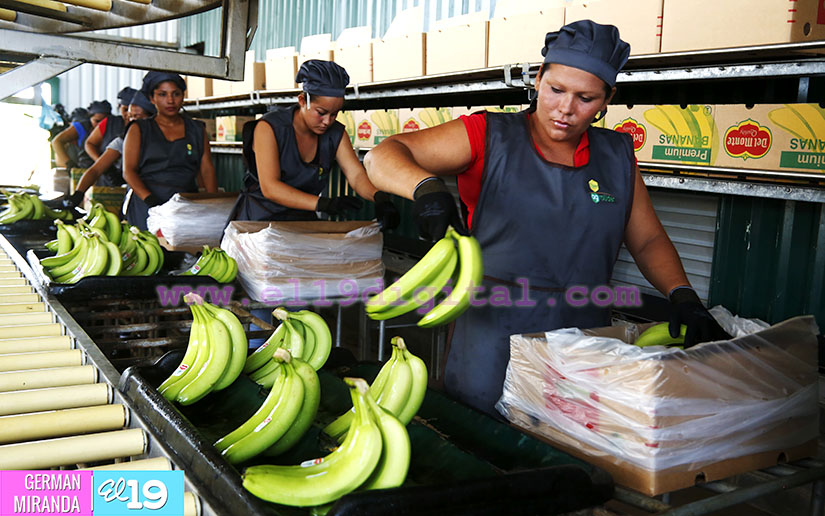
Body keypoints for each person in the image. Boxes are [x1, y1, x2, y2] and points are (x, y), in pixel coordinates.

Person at [363, 20, 730, 416]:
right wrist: (426, 189)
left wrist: (683, 295)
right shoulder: (488, 135)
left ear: (608, 98)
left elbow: (647, 239)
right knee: (483, 432)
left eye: (585, 98)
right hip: (492, 335)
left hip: (582, 339)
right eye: (556, 90)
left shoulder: (617, 156)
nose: (566, 109)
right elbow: (381, 157)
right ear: (538, 78)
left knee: (565, 440)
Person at [228, 59, 399, 229]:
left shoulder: (336, 133)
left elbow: (356, 175)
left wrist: (379, 198)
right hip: (258, 223)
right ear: (302, 100)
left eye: (334, 114)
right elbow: (270, 188)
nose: (327, 121)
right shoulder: (269, 128)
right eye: (321, 112)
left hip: (301, 221)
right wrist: (324, 204)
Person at [122, 71, 218, 230]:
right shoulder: (139, 129)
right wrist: (151, 201)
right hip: (147, 206)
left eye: (176, 94)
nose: (170, 100)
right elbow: (129, 172)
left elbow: (207, 169)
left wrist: (213, 205)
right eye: (162, 94)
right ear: (152, 98)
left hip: (185, 206)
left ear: (183, 96)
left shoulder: (196, 129)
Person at [64, 91, 157, 210]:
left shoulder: (166, 139)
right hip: (141, 201)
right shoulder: (123, 140)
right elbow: (96, 170)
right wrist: (78, 194)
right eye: (130, 116)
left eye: (137, 117)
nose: (131, 120)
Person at [83, 86, 137, 185]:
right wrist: (104, 166)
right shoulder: (109, 123)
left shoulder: (142, 128)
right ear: (119, 107)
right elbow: (89, 144)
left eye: (133, 111)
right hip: (106, 181)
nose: (128, 114)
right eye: (125, 110)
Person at [51, 102, 109, 169]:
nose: (101, 124)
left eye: (105, 121)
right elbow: (56, 142)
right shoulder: (81, 127)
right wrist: (69, 164)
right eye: (97, 121)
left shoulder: (112, 128)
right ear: (90, 119)